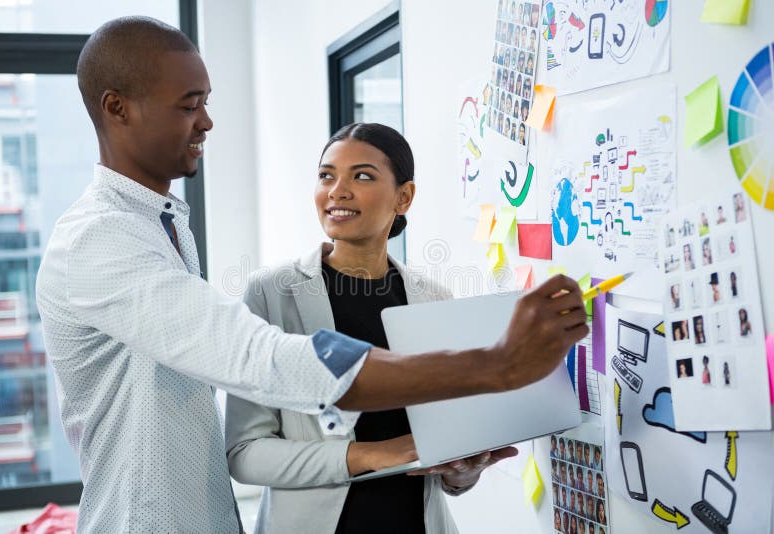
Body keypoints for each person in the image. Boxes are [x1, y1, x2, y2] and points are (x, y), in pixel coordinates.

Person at [36, 18, 589, 533]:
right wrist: (493, 366)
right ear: (118, 109)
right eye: (189, 105)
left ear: (404, 199)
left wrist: (457, 460)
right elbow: (262, 362)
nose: (206, 121)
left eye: (205, 103)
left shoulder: (164, 227)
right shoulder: (100, 239)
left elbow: (444, 445)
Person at [225, 123, 536, 533]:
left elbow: (441, 454)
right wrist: (371, 455)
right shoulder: (272, 293)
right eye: (326, 175)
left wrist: (462, 472)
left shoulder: (434, 300)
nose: (337, 190)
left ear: (403, 197)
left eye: (362, 176)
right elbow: (245, 453)